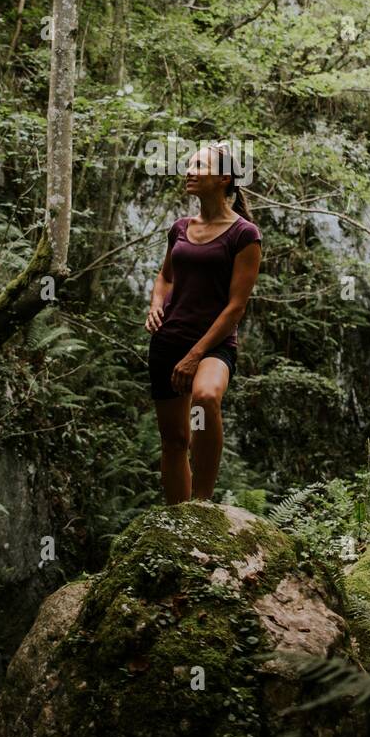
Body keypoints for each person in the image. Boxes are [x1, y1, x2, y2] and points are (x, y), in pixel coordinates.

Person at [145, 141, 262, 503]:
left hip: (213, 345)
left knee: (206, 396)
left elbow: (235, 307)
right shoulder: (180, 228)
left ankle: (203, 506)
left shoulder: (245, 235)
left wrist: (195, 354)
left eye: (199, 165)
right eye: (189, 164)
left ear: (224, 177)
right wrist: (154, 303)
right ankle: (179, 522)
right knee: (175, 440)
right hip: (167, 341)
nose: (190, 171)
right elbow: (166, 277)